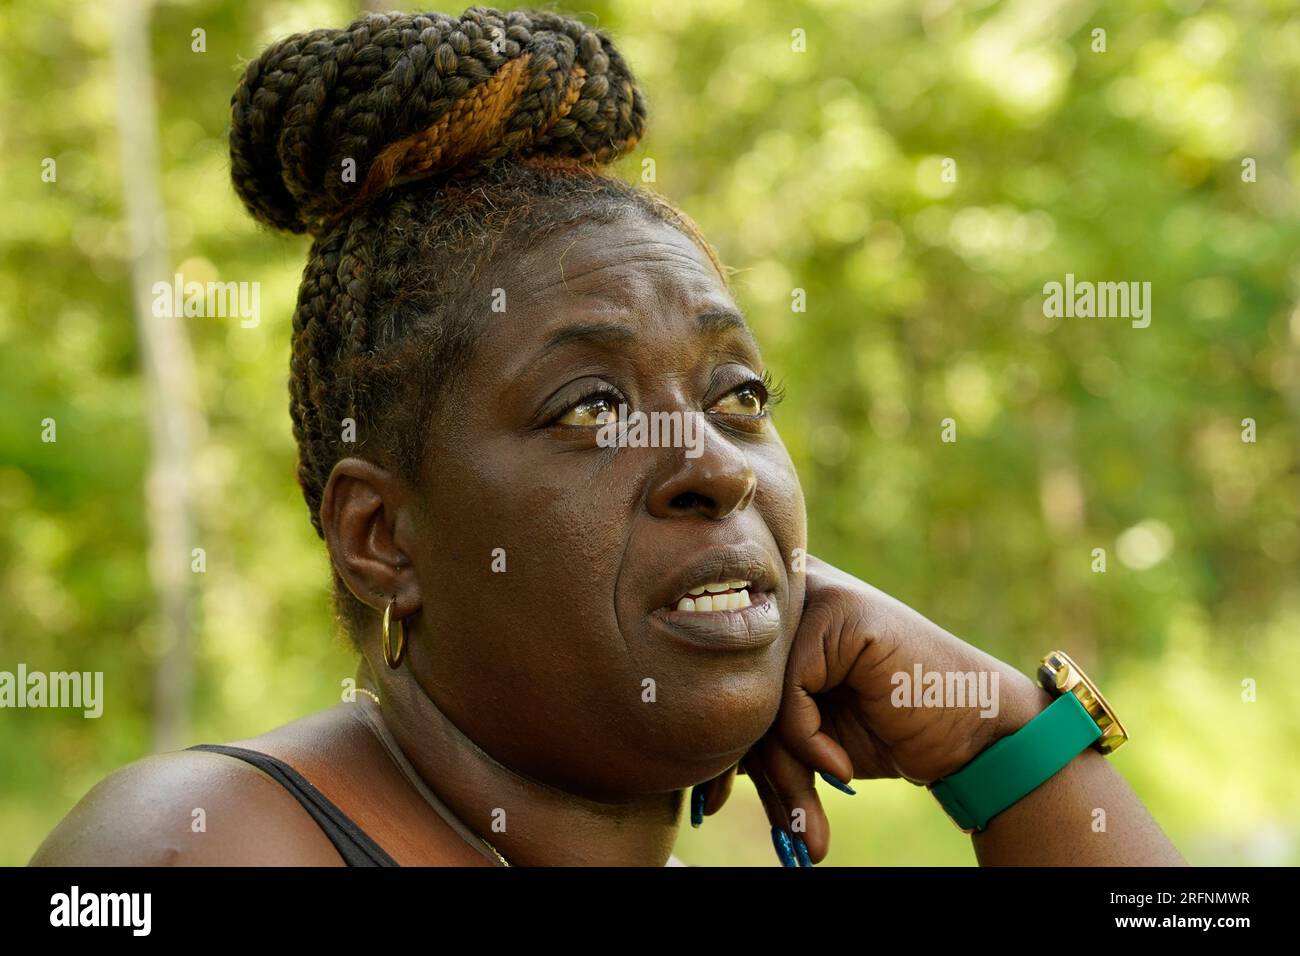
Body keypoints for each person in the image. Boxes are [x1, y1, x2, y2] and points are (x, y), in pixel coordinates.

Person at [31, 7, 1184, 867]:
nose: (717, 466)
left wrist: (998, 731)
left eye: (738, 394)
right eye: (589, 407)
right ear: (381, 534)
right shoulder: (202, 843)